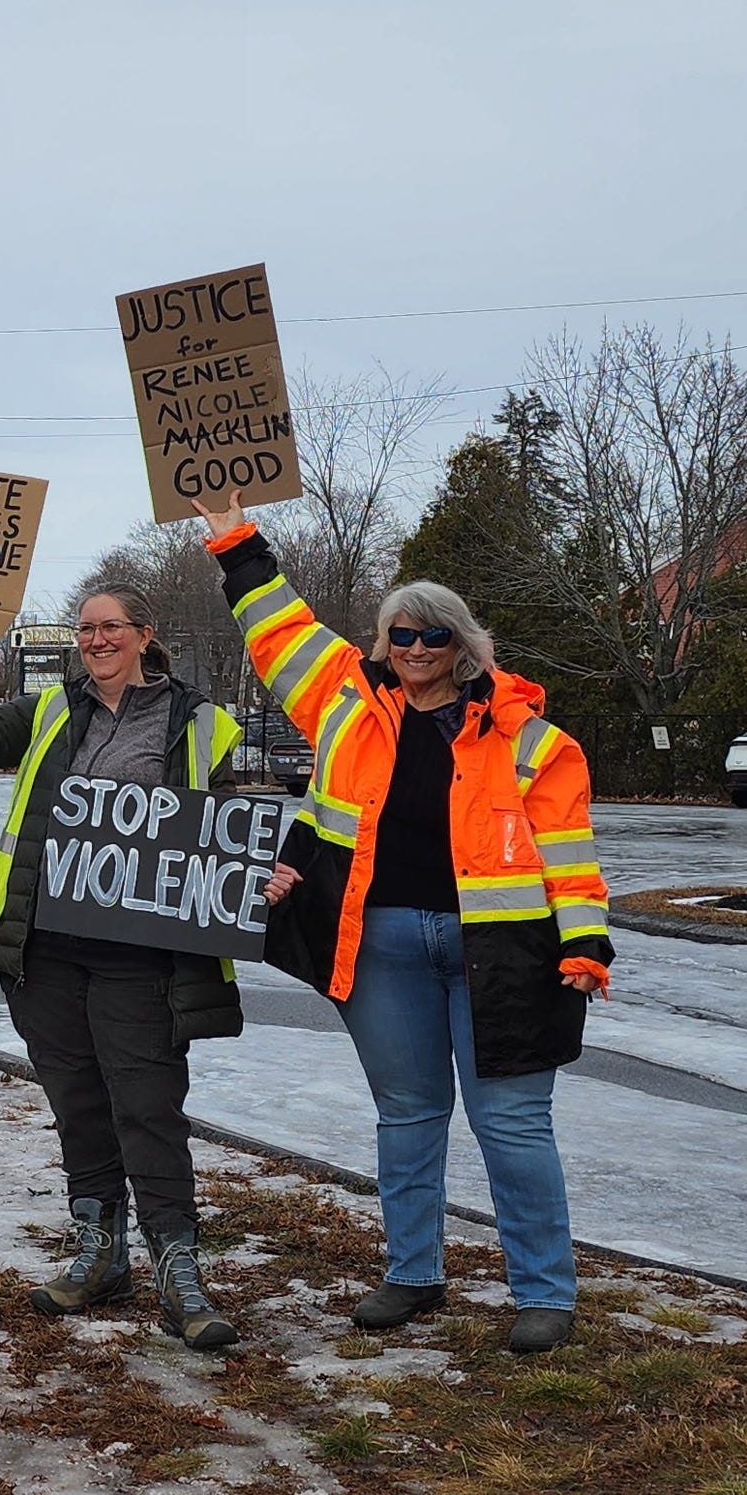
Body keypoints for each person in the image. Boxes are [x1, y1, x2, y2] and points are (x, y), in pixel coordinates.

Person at [197, 491, 611, 1355]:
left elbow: (567, 854)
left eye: (435, 636)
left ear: (465, 646)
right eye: (402, 635)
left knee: (513, 1122)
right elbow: (281, 629)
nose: (417, 650)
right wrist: (238, 542)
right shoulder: (345, 700)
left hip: (504, 957)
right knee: (409, 1114)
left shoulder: (534, 740)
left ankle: (544, 1292)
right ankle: (414, 1274)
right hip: (381, 946)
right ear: (384, 643)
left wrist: (584, 942)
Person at [0, 582, 283, 1351]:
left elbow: (228, 822)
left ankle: (180, 1271)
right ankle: (100, 1254)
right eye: (86, 629)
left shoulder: (202, 722)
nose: (96, 640)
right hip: (45, 952)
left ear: (144, 634)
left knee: (148, 1108)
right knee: (79, 1105)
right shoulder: (51, 710)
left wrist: (257, 875)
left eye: (111, 628)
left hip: (145, 960)